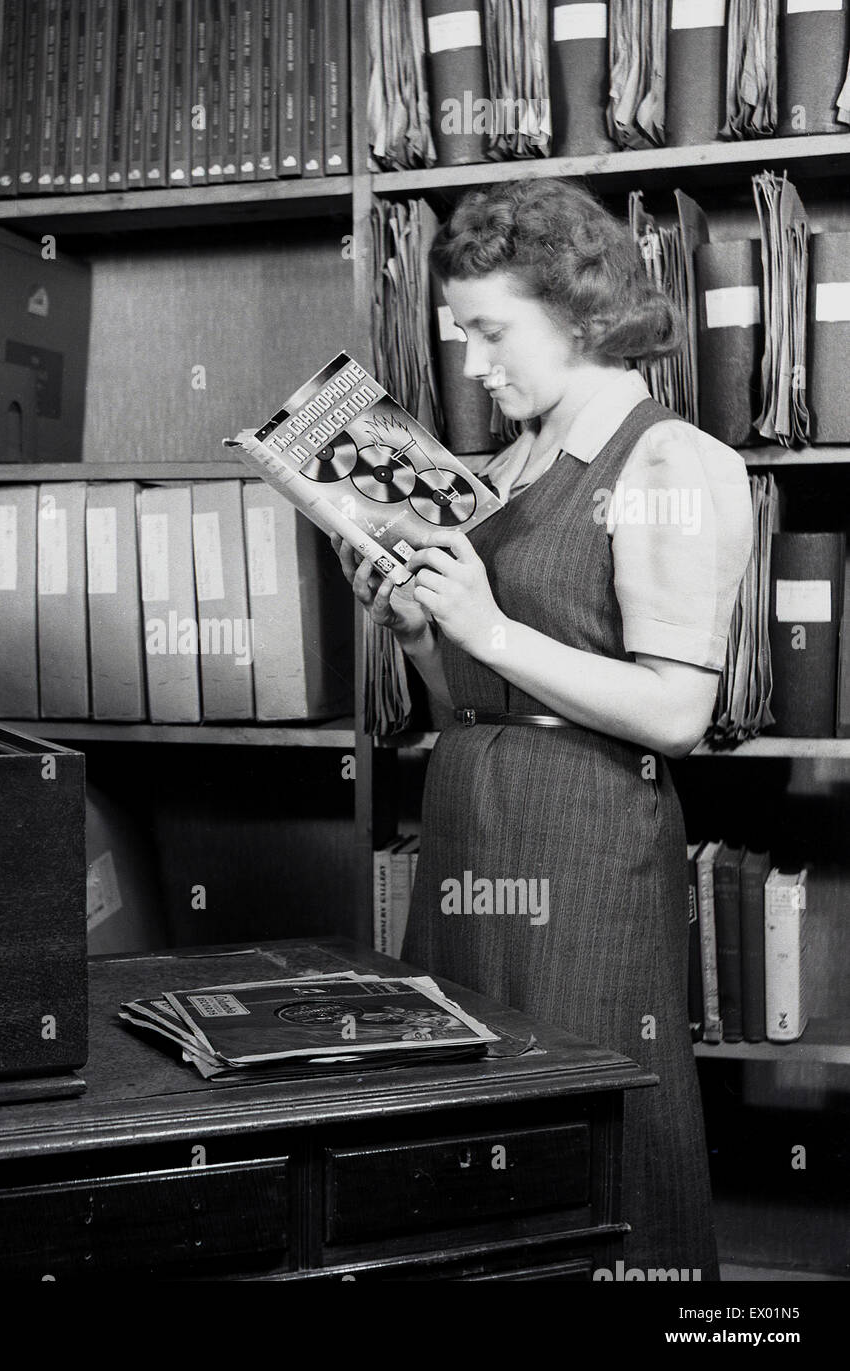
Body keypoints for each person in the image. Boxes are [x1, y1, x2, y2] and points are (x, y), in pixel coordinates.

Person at [333, 178, 753, 1279]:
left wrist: (489, 628)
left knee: (596, 1137)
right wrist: (422, 630)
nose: (473, 367)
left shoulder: (667, 464)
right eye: (460, 334)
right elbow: (467, 703)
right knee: (473, 1130)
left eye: (490, 332)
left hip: (585, 842)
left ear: (577, 314)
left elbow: (674, 709)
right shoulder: (503, 469)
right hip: (472, 827)